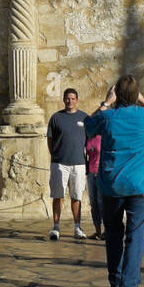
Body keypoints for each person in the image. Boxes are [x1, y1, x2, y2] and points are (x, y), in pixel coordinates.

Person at [84, 76, 144, 287]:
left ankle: (115, 282)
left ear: (117, 95)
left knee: (113, 233)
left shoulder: (107, 117)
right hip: (140, 184)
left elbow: (89, 126)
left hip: (111, 184)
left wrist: (106, 102)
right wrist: (143, 100)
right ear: (135, 95)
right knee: (136, 234)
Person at [46, 88, 89, 240]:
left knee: (76, 196)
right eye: (67, 98)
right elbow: (50, 140)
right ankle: (56, 227)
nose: (70, 101)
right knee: (58, 196)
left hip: (79, 163)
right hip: (59, 163)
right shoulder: (56, 118)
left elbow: (90, 140)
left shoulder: (84, 117)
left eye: (72, 98)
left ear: (77, 100)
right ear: (63, 100)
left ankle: (77, 227)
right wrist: (56, 155)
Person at [85, 133, 104, 239]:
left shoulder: (104, 136)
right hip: (91, 173)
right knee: (93, 203)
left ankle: (107, 231)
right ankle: (98, 231)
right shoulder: (89, 137)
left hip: (102, 172)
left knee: (102, 203)